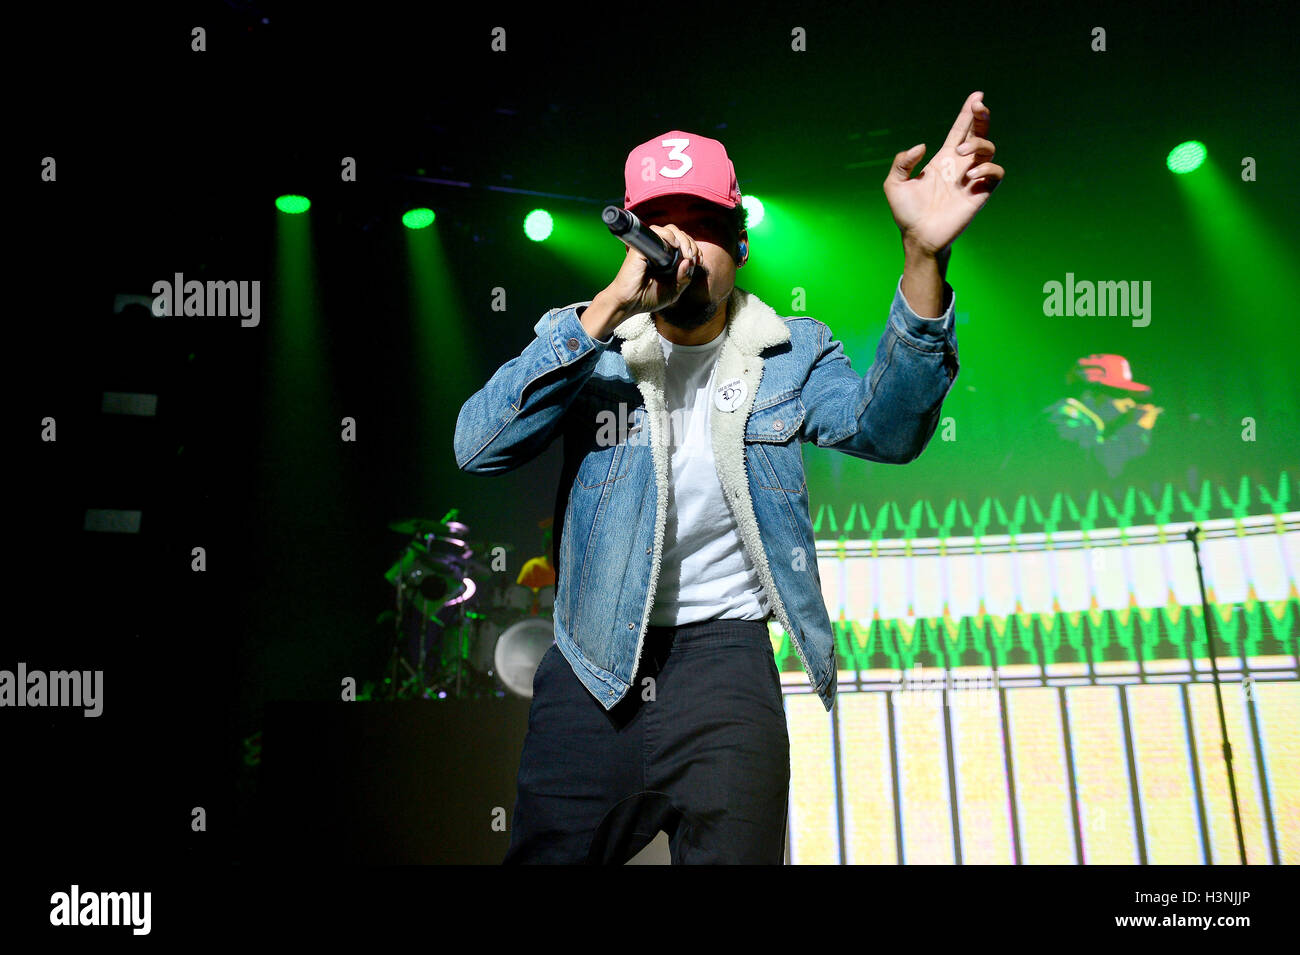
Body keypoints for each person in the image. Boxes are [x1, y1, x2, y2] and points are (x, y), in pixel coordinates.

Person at [454, 92, 1003, 863]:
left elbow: (890, 429)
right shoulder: (584, 337)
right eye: (661, 223)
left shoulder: (792, 351)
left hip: (727, 669)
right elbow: (478, 446)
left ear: (740, 243)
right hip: (592, 661)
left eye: (704, 225)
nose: (682, 244)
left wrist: (923, 260)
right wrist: (609, 306)